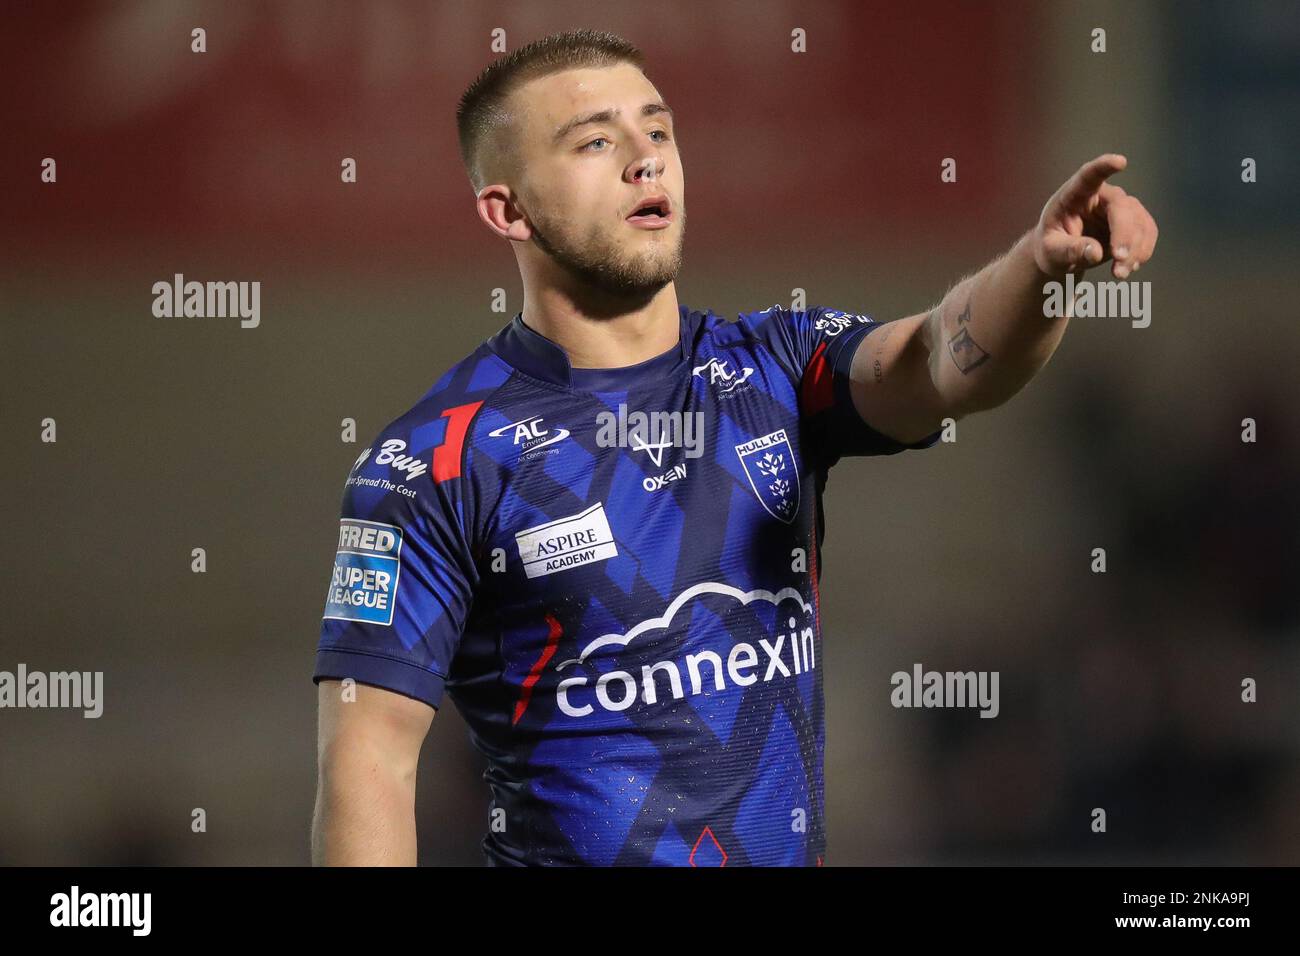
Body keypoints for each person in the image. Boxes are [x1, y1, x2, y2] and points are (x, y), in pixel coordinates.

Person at [311, 28, 1158, 866]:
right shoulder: (437, 460)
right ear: (508, 209)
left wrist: (1041, 271)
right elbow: (370, 767)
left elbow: (947, 360)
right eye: (596, 141)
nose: (646, 160)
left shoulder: (777, 369)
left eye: (659, 130)